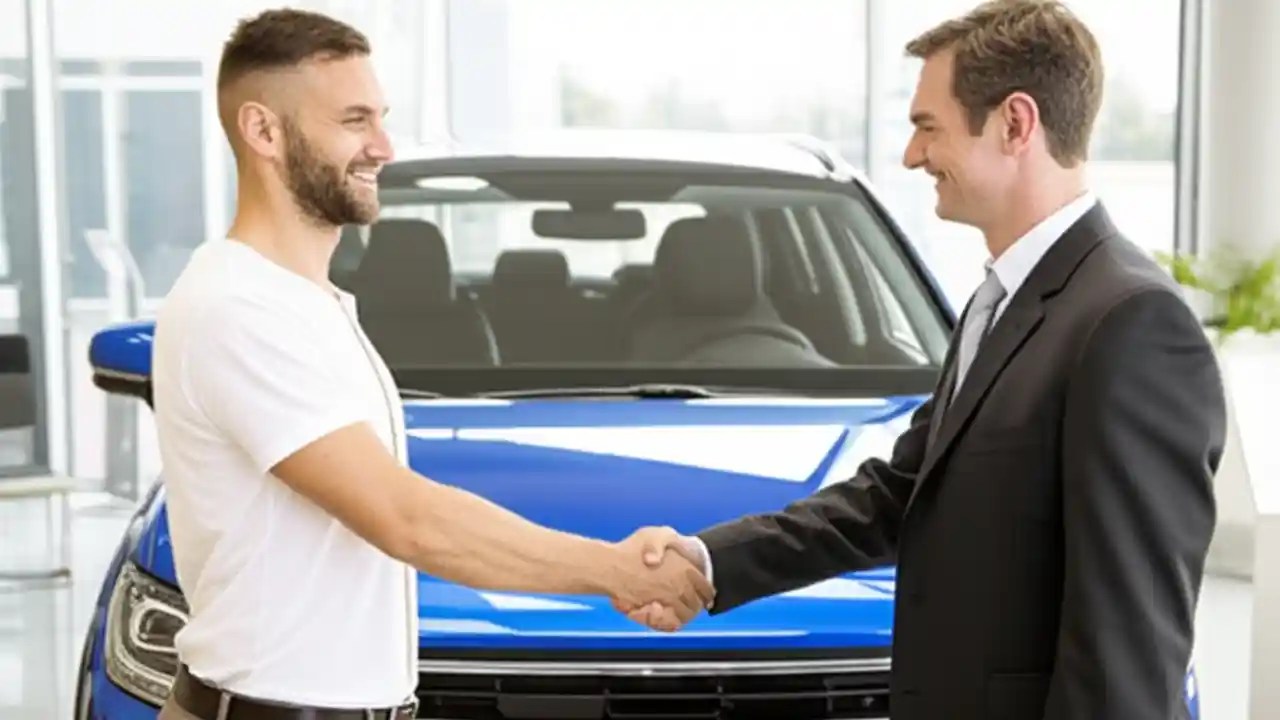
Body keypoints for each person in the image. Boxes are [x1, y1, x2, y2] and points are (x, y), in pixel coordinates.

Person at [621, 1, 1227, 719]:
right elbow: (899, 494)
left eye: (926, 127)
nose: (913, 156)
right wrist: (711, 560)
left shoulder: (1131, 324)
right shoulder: (999, 302)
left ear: (1014, 124)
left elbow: (1129, 647)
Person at [151, 9, 711, 720]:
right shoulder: (239, 308)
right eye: (355, 120)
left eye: (381, 118)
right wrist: (615, 572)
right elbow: (406, 519)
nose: (383, 146)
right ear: (264, 131)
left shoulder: (310, 304)